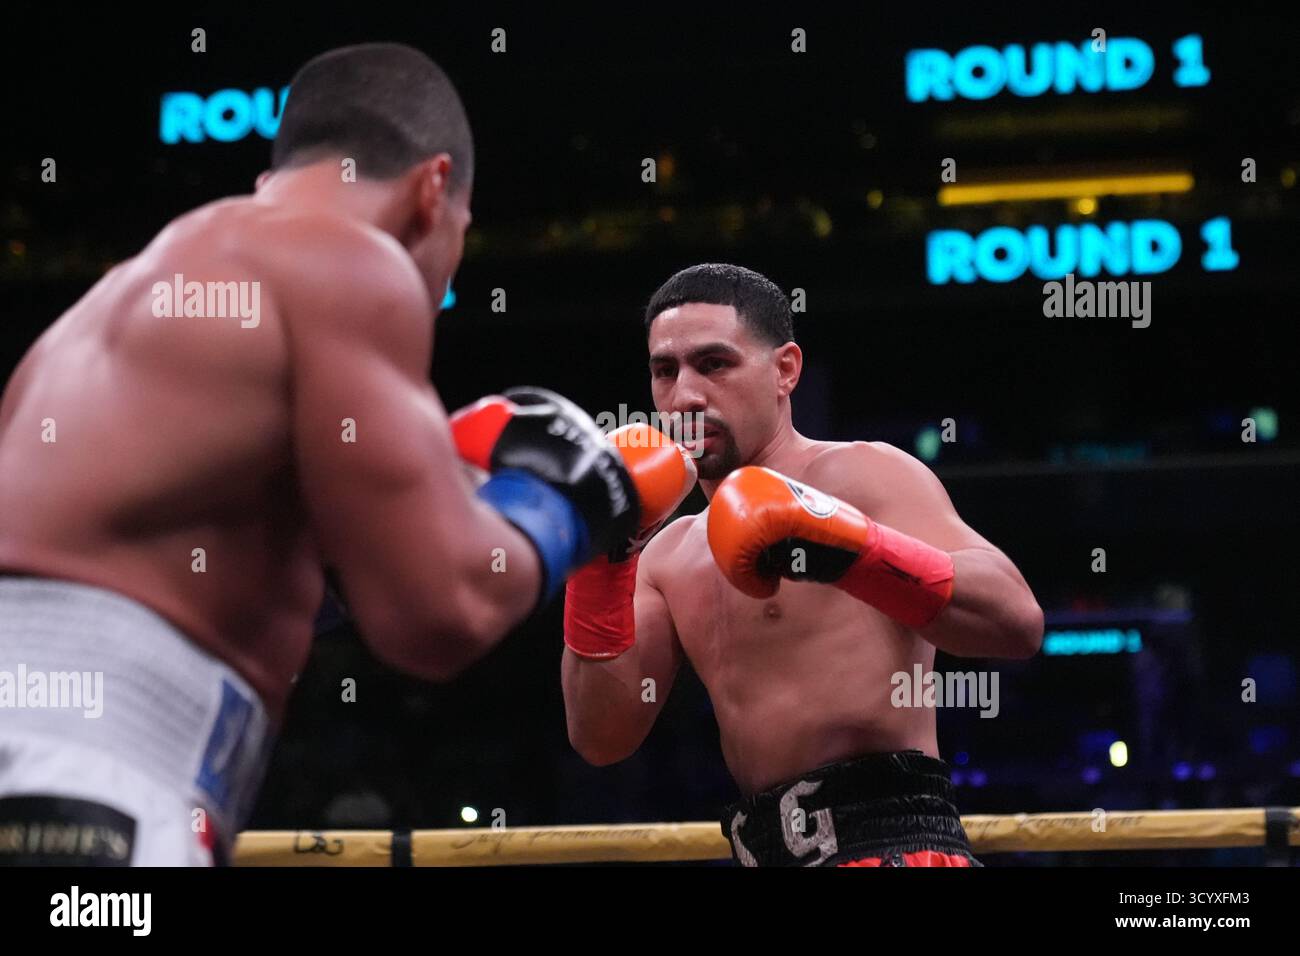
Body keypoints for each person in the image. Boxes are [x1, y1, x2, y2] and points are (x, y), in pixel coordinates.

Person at [0, 43, 639, 866]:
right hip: (83, 801)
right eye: (459, 237)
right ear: (432, 189)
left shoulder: (105, 307)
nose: (439, 285)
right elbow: (441, 612)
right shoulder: (344, 260)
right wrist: (565, 500)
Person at [561, 263, 1044, 866]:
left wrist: (850, 547)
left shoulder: (862, 475)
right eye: (666, 370)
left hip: (895, 846)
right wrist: (598, 561)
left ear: (785, 369)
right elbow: (601, 736)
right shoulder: (665, 553)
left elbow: (1016, 621)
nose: (684, 395)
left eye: (714, 364)